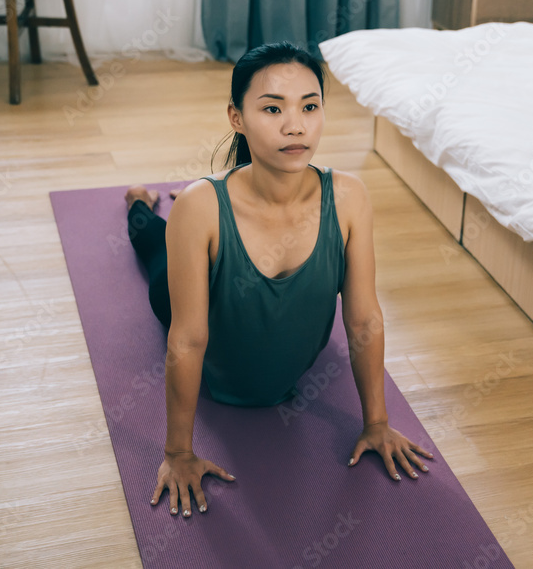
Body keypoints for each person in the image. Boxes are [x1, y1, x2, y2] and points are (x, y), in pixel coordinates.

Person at [123, 41, 433, 520]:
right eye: (273, 108)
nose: (296, 125)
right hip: (192, 299)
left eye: (310, 106)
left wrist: (377, 422)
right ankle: (138, 203)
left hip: (281, 362)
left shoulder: (349, 197)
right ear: (237, 117)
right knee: (151, 243)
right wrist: (177, 453)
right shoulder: (199, 206)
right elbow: (186, 339)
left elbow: (364, 315)